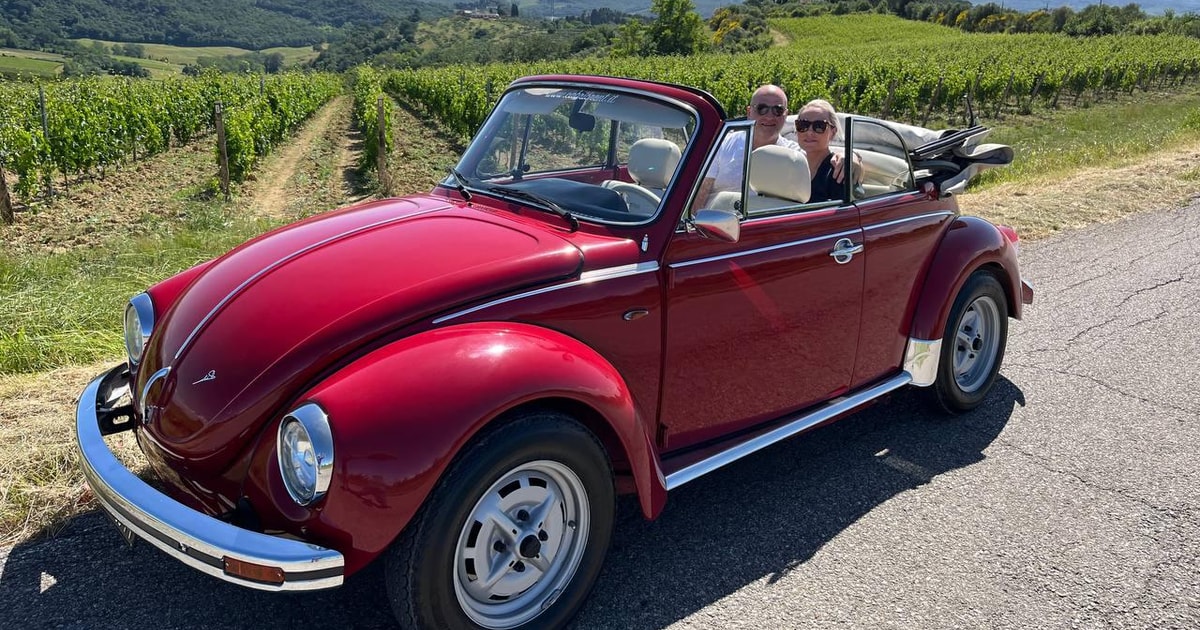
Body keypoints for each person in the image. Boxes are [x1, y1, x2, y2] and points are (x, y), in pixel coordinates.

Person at [695, 84, 800, 206]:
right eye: (762, 108)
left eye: (778, 110)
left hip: (768, 224)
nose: (769, 116)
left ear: (786, 114)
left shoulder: (794, 156)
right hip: (715, 222)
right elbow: (699, 196)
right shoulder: (721, 144)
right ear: (749, 112)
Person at [793, 99, 861, 203]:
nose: (809, 132)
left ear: (833, 132)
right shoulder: (791, 166)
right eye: (803, 125)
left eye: (819, 126)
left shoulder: (839, 170)